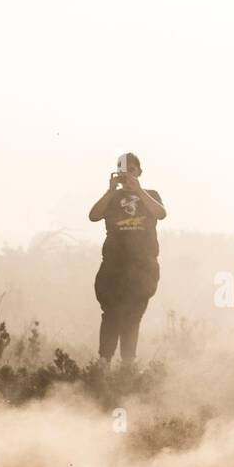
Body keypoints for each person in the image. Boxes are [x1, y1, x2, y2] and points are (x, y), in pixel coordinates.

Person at [88, 152, 166, 363]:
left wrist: (138, 190)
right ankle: (104, 364)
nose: (128, 175)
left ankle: (127, 367)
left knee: (133, 316)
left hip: (143, 267)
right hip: (113, 266)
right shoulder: (111, 197)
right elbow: (94, 215)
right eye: (124, 171)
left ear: (139, 171)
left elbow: (160, 213)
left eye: (132, 170)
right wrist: (110, 191)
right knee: (111, 315)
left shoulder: (150, 194)